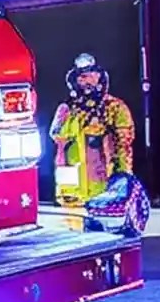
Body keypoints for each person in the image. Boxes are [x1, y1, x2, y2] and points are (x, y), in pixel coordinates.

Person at [49, 53, 135, 210]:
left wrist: (123, 178)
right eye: (81, 77)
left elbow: (124, 146)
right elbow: (57, 139)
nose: (85, 81)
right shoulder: (65, 109)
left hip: (104, 194)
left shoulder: (115, 108)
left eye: (90, 76)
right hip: (71, 195)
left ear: (99, 78)